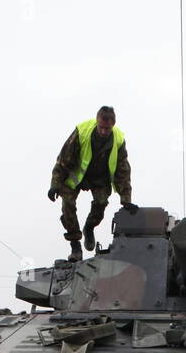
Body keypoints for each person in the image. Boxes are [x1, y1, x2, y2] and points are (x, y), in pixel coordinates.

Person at [48, 106, 134, 261]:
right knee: (67, 204)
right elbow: (63, 158)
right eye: (101, 127)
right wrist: (55, 184)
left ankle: (89, 227)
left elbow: (123, 171)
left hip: (100, 178)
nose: (103, 131)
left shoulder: (119, 140)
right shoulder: (82, 131)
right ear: (97, 121)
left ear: (113, 125)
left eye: (107, 129)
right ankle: (75, 244)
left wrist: (126, 199)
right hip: (77, 174)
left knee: (101, 203)